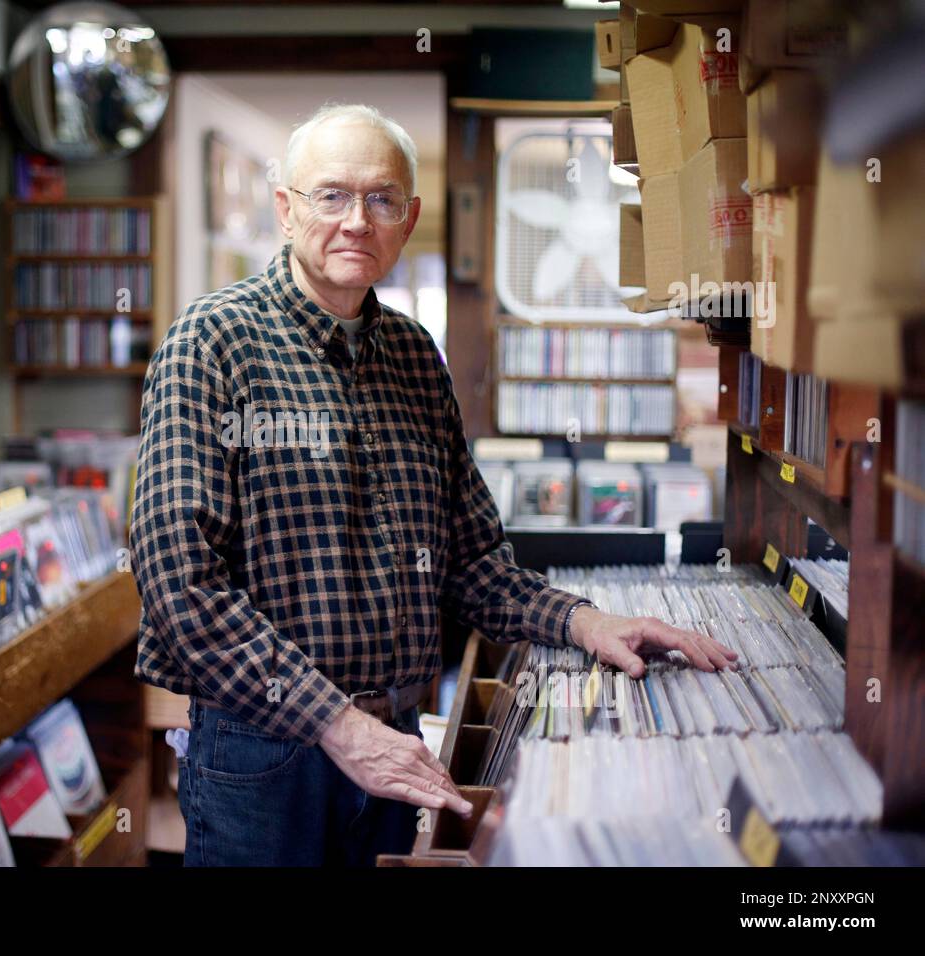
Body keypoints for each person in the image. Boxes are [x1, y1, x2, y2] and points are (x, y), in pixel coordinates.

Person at [130, 103, 738, 867]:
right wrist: (337, 726)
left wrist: (587, 623)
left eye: (382, 199)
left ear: (409, 218)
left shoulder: (417, 357)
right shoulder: (210, 346)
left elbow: (472, 561)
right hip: (266, 755)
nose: (358, 220)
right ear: (285, 209)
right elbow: (179, 588)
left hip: (396, 743)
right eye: (332, 195)